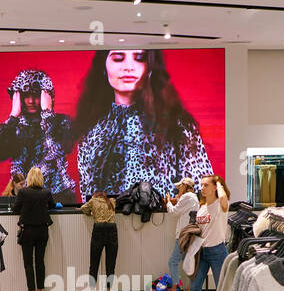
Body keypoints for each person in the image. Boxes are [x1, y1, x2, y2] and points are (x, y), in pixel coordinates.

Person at [72, 48, 213, 201]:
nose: (128, 67)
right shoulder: (91, 132)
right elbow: (88, 197)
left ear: (150, 68)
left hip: (162, 222)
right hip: (108, 222)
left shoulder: (177, 127)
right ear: (104, 67)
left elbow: (202, 191)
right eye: (118, 58)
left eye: (139, 58)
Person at [0, 69, 76, 197]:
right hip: (22, 195)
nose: (30, 101)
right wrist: (13, 117)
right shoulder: (14, 127)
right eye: (25, 96)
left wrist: (47, 115)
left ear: (46, 96)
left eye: (35, 95)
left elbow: (58, 150)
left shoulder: (61, 122)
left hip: (58, 195)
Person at [178, 175, 229, 291]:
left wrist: (219, 183)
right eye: (201, 185)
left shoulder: (220, 206)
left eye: (206, 185)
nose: (202, 188)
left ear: (215, 187)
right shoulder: (203, 206)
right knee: (194, 288)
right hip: (202, 252)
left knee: (221, 289)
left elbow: (224, 201)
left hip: (217, 251)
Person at [13, 166, 53, 291]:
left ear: (29, 178)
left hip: (28, 231)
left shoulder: (23, 192)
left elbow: (15, 209)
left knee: (28, 262)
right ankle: (40, 290)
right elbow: (52, 206)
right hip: (43, 230)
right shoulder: (46, 192)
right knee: (40, 261)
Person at [164, 178, 199, 291]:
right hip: (191, 233)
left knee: (173, 261)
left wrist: (168, 201)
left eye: (180, 186)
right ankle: (190, 288)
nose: (178, 188)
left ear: (184, 185)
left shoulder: (187, 197)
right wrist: (179, 196)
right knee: (188, 261)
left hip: (183, 234)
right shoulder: (193, 197)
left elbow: (174, 212)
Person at [80, 188, 118, 291]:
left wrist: (91, 212)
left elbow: (84, 209)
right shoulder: (112, 201)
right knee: (110, 264)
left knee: (94, 262)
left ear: (95, 195)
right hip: (112, 230)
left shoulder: (93, 201)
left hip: (98, 229)